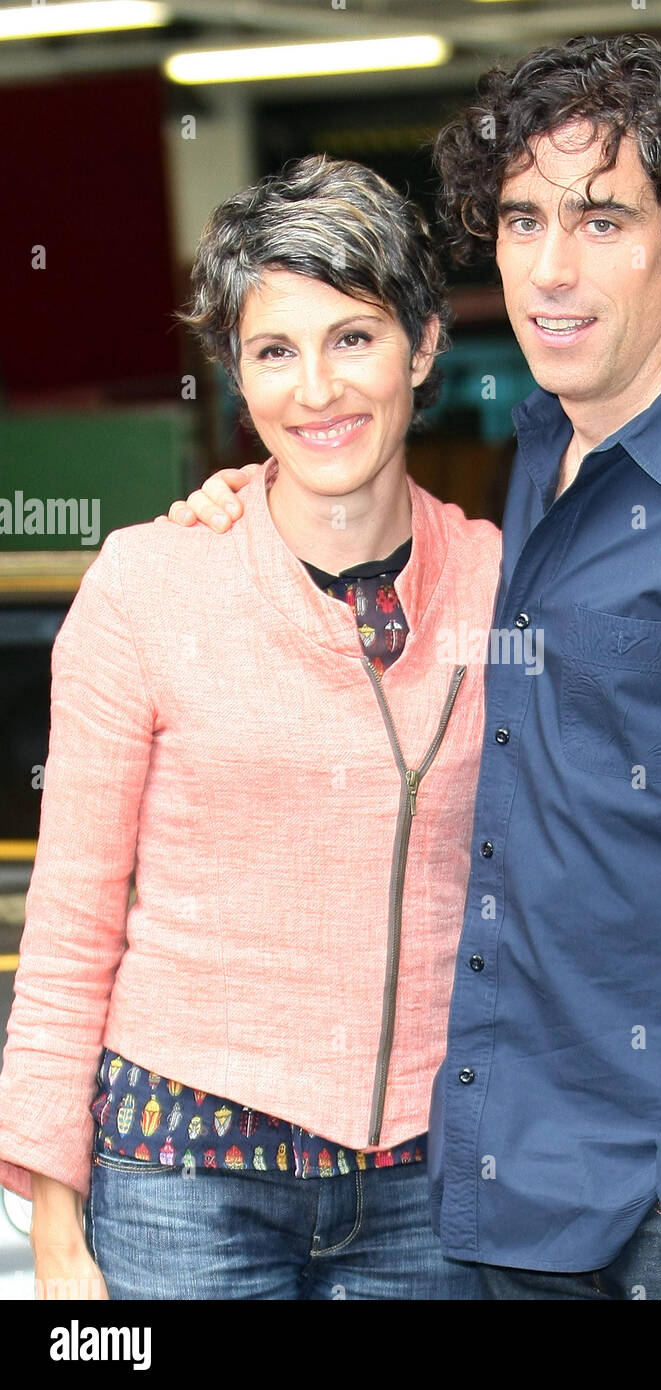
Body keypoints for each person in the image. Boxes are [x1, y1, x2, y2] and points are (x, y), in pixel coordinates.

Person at [166, 35, 661, 1300]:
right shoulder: (539, 464)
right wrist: (249, 506)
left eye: (600, 219)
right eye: (522, 218)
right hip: (521, 1201)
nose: (548, 267)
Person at [0, 155, 500, 1301]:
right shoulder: (150, 584)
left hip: (427, 1194)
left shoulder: (499, 584)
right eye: (276, 350)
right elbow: (71, 921)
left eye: (354, 338)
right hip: (181, 1181)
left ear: (423, 348)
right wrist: (57, 1235)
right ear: (236, 374)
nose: (316, 389)